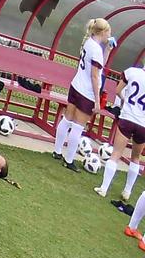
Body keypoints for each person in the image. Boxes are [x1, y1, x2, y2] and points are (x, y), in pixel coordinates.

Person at [55, 19, 111, 169]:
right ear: (103, 32)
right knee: (78, 126)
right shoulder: (96, 49)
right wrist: (97, 101)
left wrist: (108, 50)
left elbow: (99, 67)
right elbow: (94, 76)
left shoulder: (89, 42)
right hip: (86, 93)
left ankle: (57, 151)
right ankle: (69, 160)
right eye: (108, 32)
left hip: (76, 85)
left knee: (67, 119)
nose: (109, 35)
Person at [99, 59, 144, 211]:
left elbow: (118, 91)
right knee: (136, 157)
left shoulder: (132, 72)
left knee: (116, 154)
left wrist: (126, 101)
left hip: (127, 117)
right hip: (143, 124)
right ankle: (127, 191)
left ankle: (104, 188)